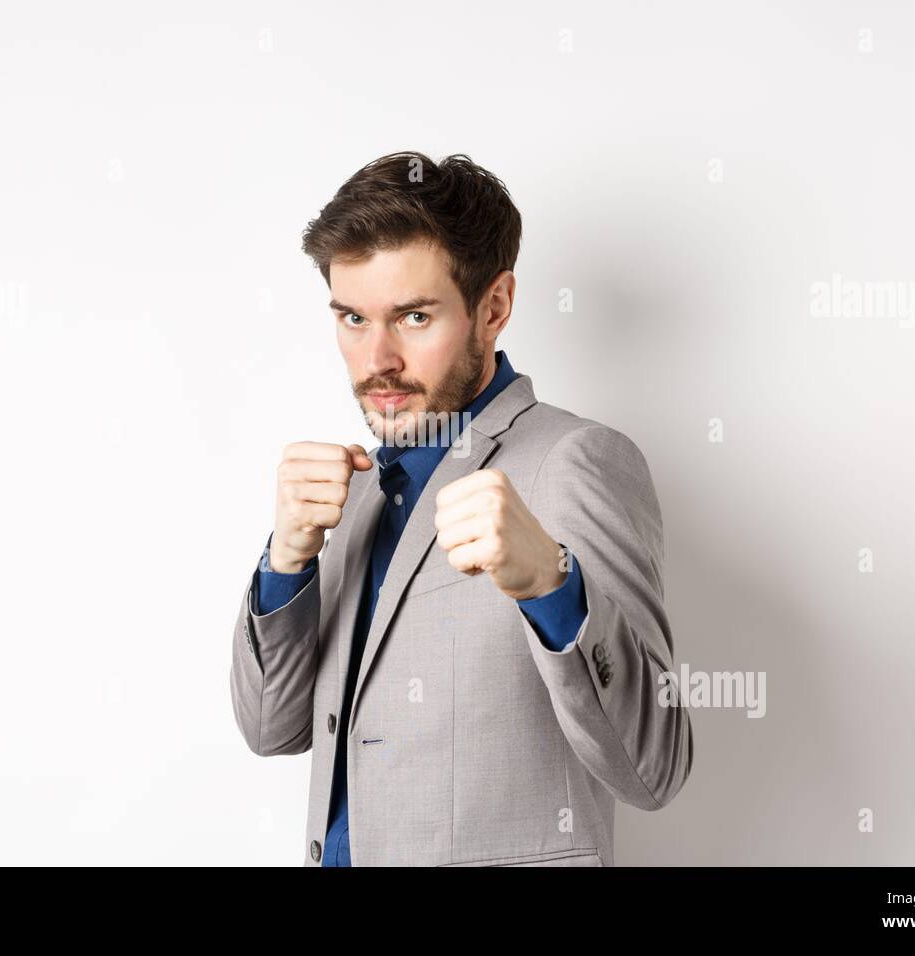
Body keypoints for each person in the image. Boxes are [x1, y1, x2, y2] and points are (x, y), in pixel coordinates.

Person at [229, 151, 693, 866]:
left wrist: (553, 583)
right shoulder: (349, 494)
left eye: (414, 316)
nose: (376, 358)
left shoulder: (573, 461)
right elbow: (272, 729)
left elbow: (655, 767)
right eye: (353, 317)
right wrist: (285, 562)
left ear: (494, 307)